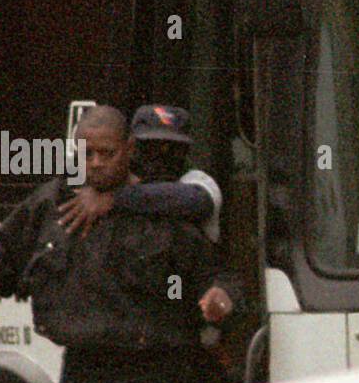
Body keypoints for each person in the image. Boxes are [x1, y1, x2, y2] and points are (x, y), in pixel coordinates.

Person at [0, 106, 229, 383]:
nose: (95, 163)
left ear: (129, 149)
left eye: (107, 153)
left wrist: (219, 296)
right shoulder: (53, 203)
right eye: (86, 153)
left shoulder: (163, 208)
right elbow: (4, 265)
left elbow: (218, 276)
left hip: (153, 375)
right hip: (82, 373)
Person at [56, 105, 235, 327]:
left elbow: (194, 201)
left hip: (178, 287)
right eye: (151, 147)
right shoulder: (113, 179)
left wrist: (114, 198)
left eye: (172, 148)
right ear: (131, 147)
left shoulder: (196, 180)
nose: (161, 155)